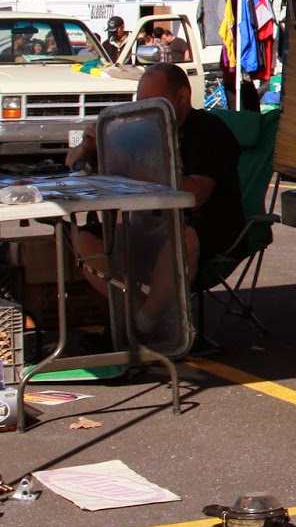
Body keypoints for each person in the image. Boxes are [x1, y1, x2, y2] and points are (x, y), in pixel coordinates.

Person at [69, 62, 244, 338]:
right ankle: (138, 315)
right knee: (83, 240)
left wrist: (142, 173)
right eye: (141, 103)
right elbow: (72, 165)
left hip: (204, 226)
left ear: (182, 96)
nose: (145, 110)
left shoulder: (208, 131)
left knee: (180, 238)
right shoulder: (140, 129)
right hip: (145, 223)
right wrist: (87, 147)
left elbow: (195, 195)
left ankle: (146, 324)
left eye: (154, 102)